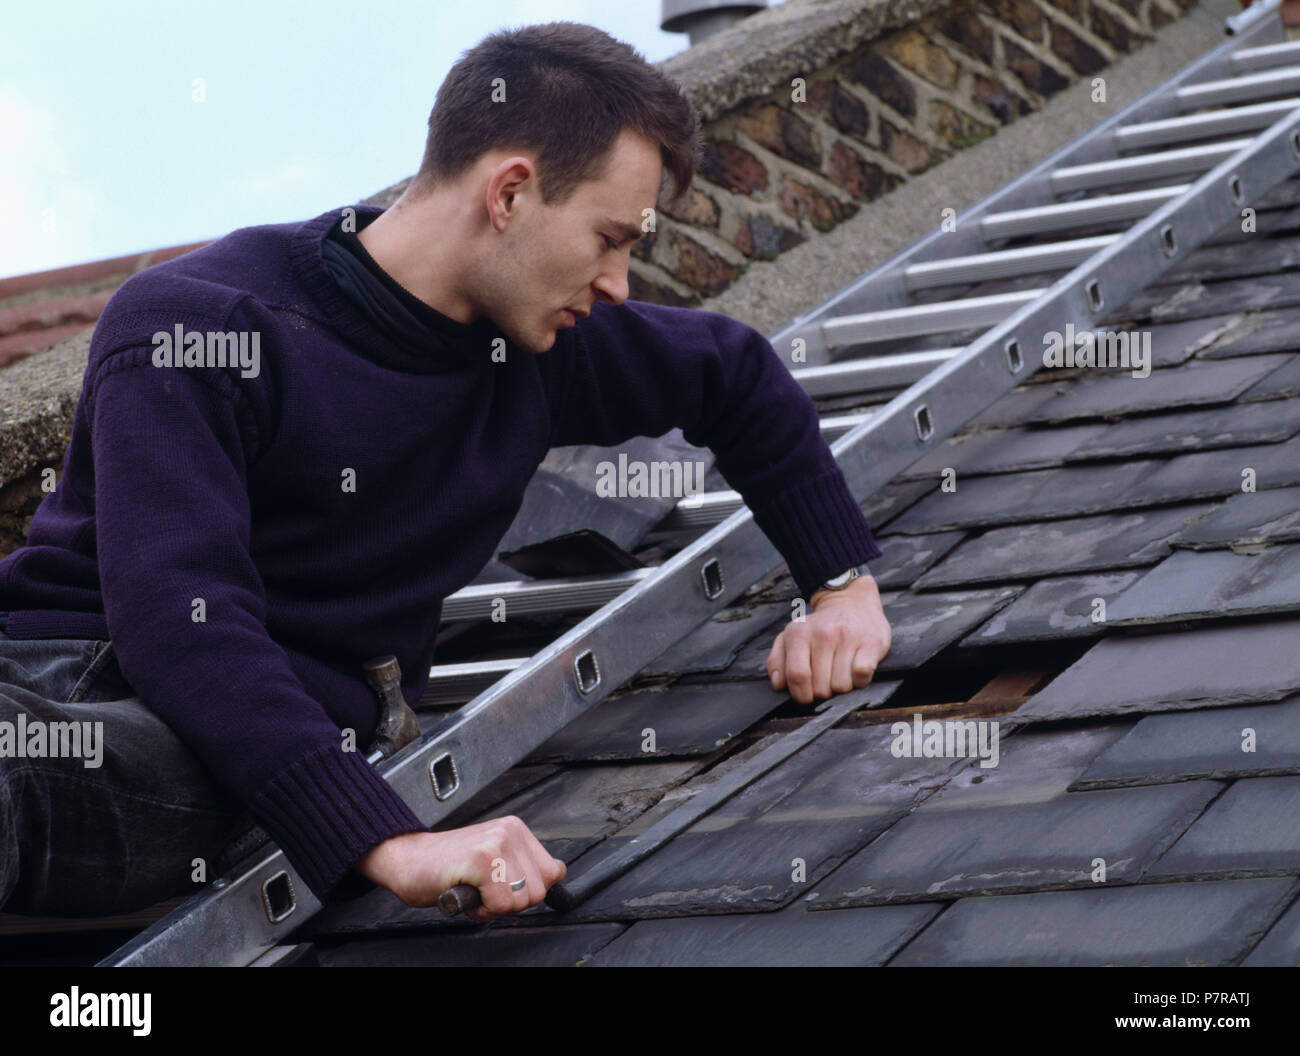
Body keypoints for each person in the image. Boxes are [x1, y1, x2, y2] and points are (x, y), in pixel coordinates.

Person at [0, 21, 890, 926]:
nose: (620, 283)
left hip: (232, 738)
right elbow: (181, 617)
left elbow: (732, 370)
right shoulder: (200, 325)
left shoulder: (540, 344)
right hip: (80, 677)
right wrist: (388, 839)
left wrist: (842, 585)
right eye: (609, 239)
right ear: (509, 192)